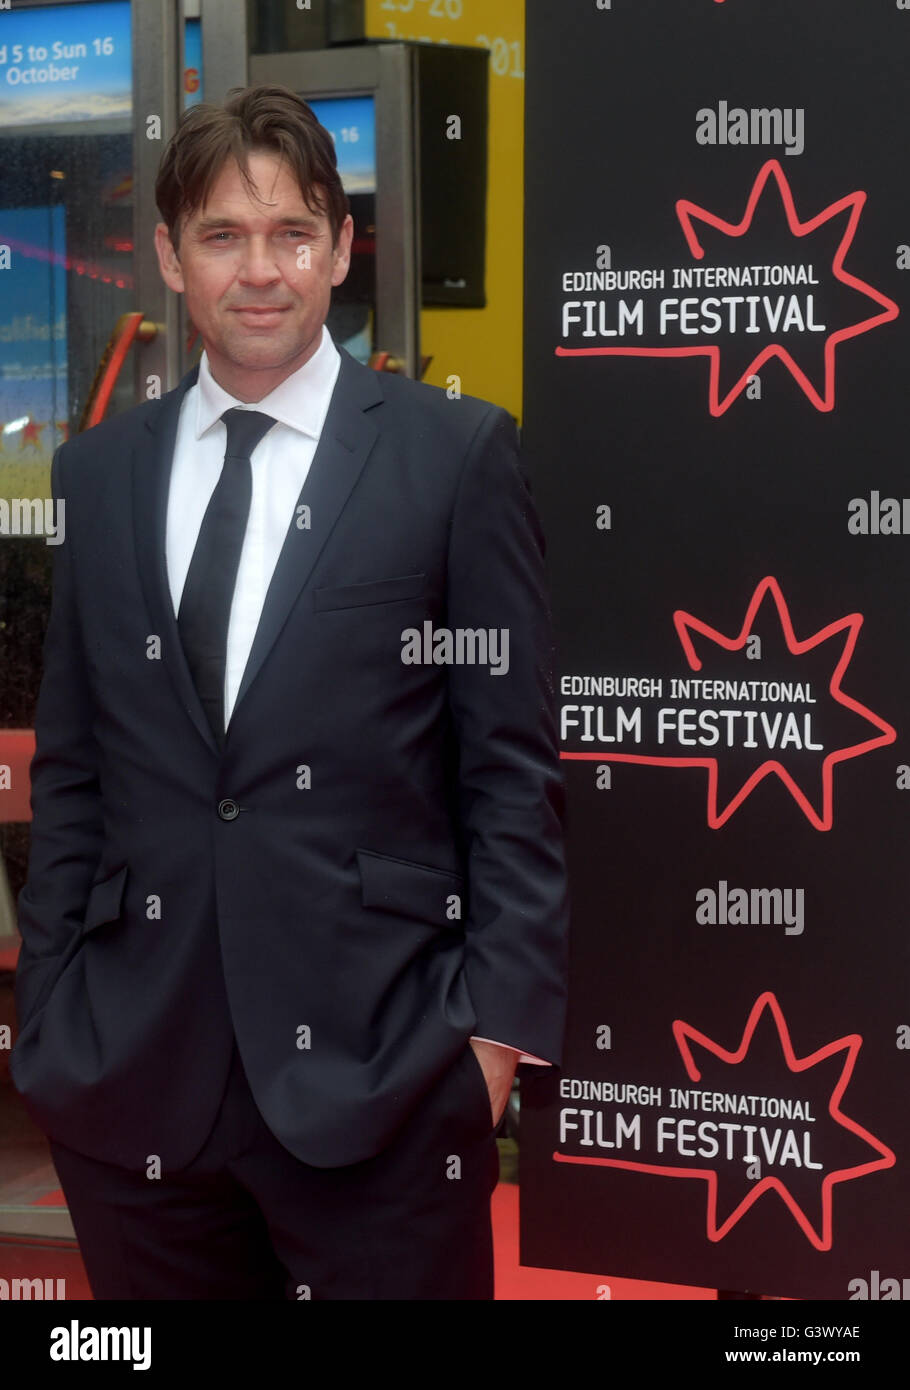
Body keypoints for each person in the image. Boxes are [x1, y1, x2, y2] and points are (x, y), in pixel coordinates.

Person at [10, 85, 569, 1300]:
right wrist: (54, 1024)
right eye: (221, 236)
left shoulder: (453, 457)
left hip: (385, 1086)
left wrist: (488, 1047)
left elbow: (513, 774)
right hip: (133, 1091)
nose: (259, 271)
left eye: (291, 233)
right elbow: (77, 768)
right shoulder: (101, 474)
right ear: (168, 257)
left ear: (341, 248)